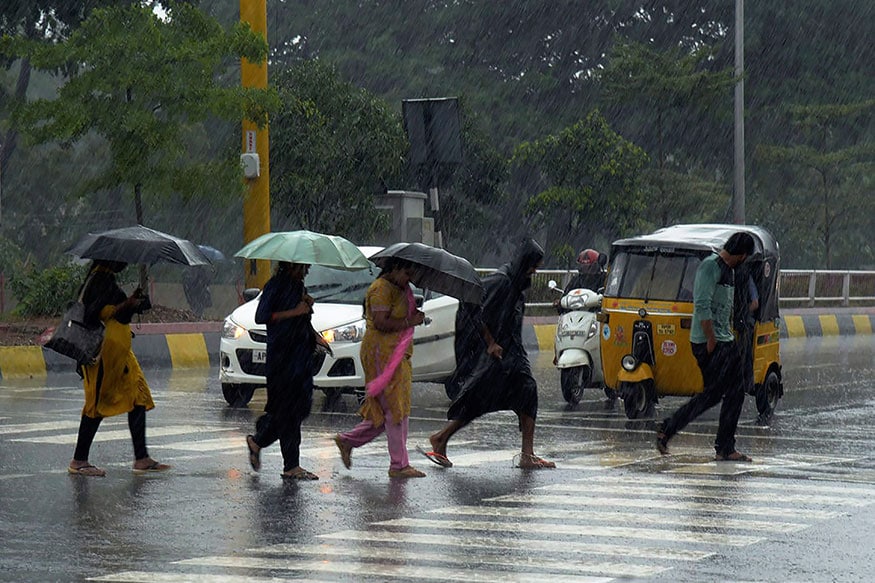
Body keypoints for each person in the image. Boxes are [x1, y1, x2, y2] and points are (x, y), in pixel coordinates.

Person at [422, 237, 556, 470]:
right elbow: (474, 307)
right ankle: (441, 438)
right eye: (533, 265)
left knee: (526, 393)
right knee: (480, 400)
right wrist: (490, 342)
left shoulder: (516, 284)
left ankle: (527, 454)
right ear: (524, 262)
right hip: (498, 356)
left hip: (512, 355)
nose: (535, 271)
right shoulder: (501, 281)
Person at [656, 232, 756, 461]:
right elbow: (701, 305)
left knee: (732, 391)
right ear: (741, 255)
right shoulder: (710, 267)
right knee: (715, 394)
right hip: (709, 342)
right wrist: (711, 339)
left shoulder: (728, 270)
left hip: (725, 340)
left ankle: (723, 446)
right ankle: (672, 430)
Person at [68, 260, 169, 476]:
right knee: (96, 404)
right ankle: (79, 460)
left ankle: (141, 457)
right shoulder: (99, 279)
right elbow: (94, 314)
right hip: (104, 354)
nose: (124, 263)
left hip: (121, 355)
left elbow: (117, 312)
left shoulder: (107, 279)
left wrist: (133, 304)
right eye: (120, 259)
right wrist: (127, 304)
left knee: (138, 397)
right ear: (109, 259)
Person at [333, 257, 427, 479]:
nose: (409, 280)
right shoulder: (380, 289)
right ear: (394, 269)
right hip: (381, 354)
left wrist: (414, 318)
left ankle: (348, 440)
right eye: (407, 274)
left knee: (395, 408)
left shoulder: (399, 289)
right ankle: (398, 465)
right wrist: (409, 322)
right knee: (393, 409)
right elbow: (381, 322)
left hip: (397, 353)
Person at [245, 261, 331, 480]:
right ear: (292, 266)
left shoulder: (298, 288)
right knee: (288, 412)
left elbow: (301, 321)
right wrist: (295, 311)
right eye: (304, 267)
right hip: (283, 359)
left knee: (298, 409)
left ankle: (260, 437)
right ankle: (290, 464)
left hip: (300, 359)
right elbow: (262, 316)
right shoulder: (275, 286)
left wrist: (313, 332)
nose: (308, 270)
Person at [733, 266, 760, 398]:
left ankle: (747, 382)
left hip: (744, 320)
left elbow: (755, 303)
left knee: (744, 349)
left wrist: (743, 311)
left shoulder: (746, 278)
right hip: (731, 319)